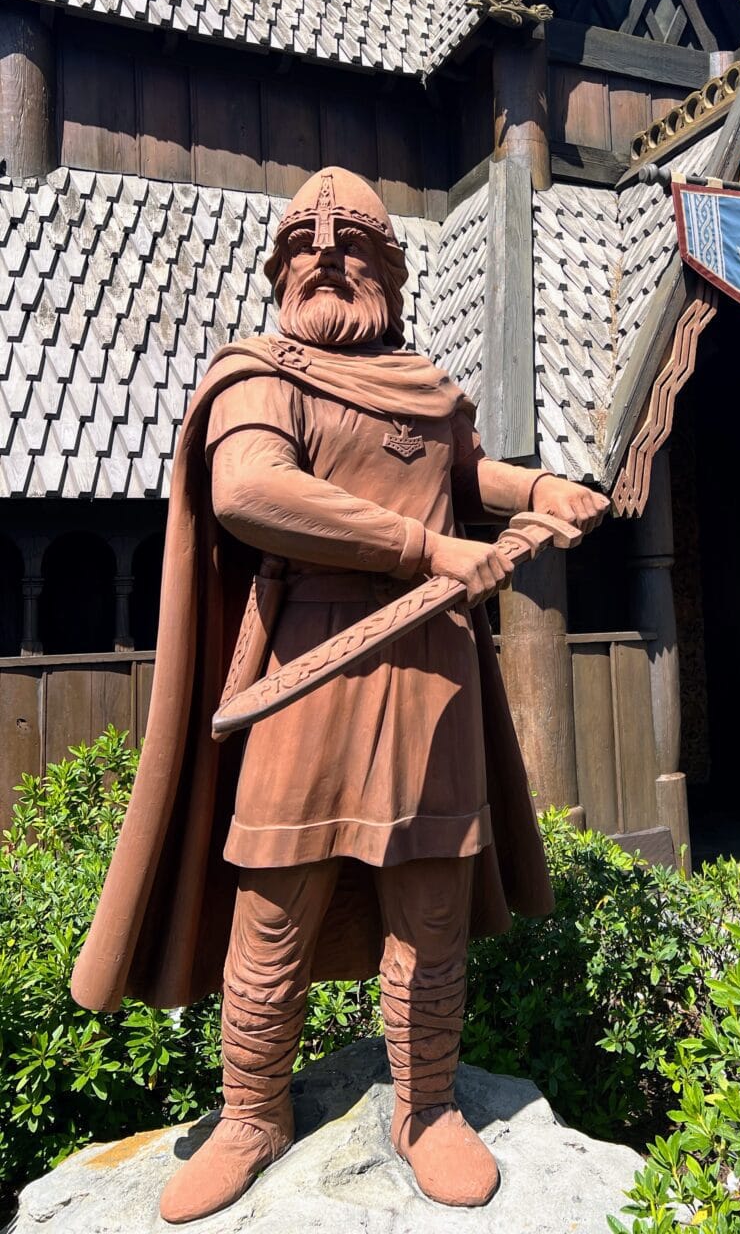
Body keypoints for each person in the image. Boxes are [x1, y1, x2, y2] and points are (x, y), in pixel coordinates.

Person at [70, 166, 609, 1223]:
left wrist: (538, 489)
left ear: (392, 274)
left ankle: (427, 1108)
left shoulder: (424, 386)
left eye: (357, 243)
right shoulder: (258, 375)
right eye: (310, 245)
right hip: (307, 664)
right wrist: (427, 550)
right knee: (274, 900)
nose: (331, 257)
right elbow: (252, 492)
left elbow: (467, 474)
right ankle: (250, 1111)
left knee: (431, 902)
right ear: (281, 268)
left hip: (430, 674)